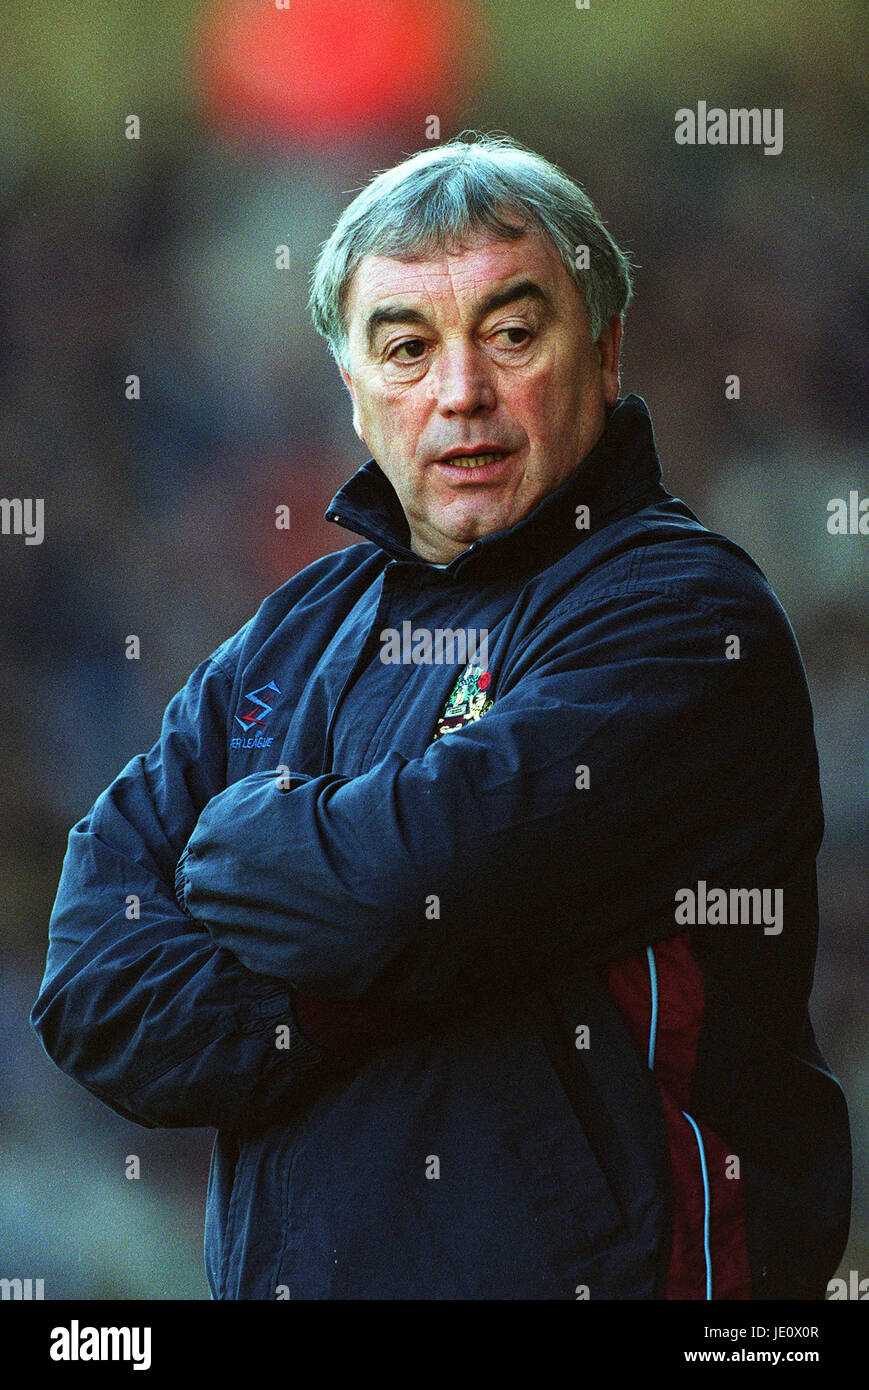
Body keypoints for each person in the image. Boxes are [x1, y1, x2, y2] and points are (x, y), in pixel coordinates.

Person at [32, 134, 851, 1300]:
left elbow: (417, 882)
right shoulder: (286, 636)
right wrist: (369, 960)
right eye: (406, 348)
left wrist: (255, 867)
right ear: (354, 394)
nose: (460, 391)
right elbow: (91, 979)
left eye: (511, 335)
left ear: (607, 350)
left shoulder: (682, 615)